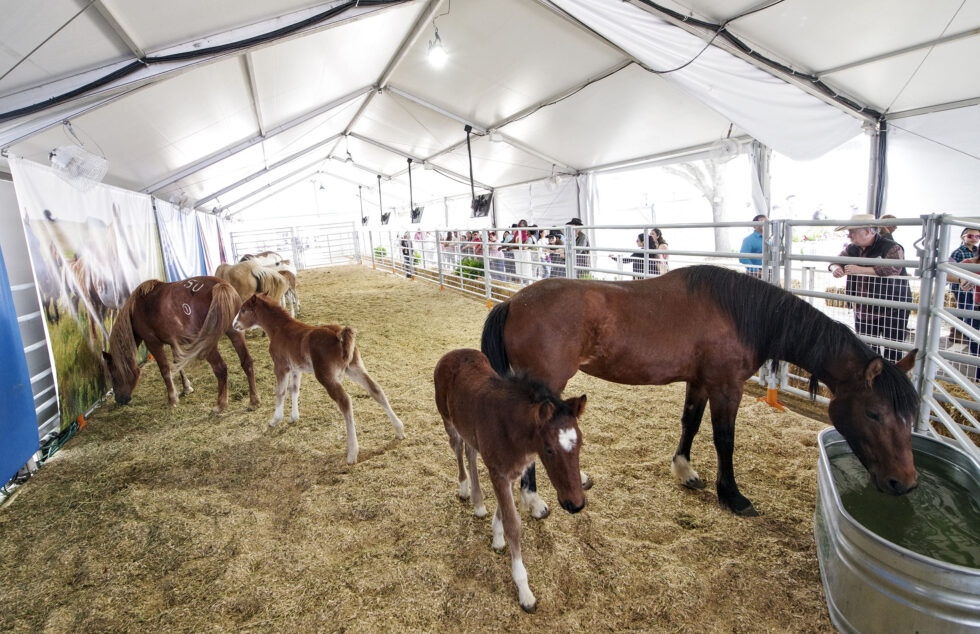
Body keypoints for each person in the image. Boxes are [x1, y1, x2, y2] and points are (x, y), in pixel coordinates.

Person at [830, 214, 912, 363]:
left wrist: (859, 269)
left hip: (892, 306)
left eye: (852, 231)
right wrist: (836, 268)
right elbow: (836, 261)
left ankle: (891, 380)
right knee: (866, 348)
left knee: (892, 347)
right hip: (864, 307)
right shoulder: (852, 249)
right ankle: (870, 379)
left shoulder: (892, 247)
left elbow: (893, 269)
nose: (849, 235)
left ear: (867, 231)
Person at [948, 227, 980, 345]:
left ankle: (964, 333)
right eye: (971, 236)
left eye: (977, 237)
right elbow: (950, 270)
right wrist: (960, 280)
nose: (974, 239)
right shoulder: (958, 252)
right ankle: (957, 333)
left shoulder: (976, 251)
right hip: (960, 288)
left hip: (973, 289)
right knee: (963, 310)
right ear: (963, 237)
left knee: (969, 310)